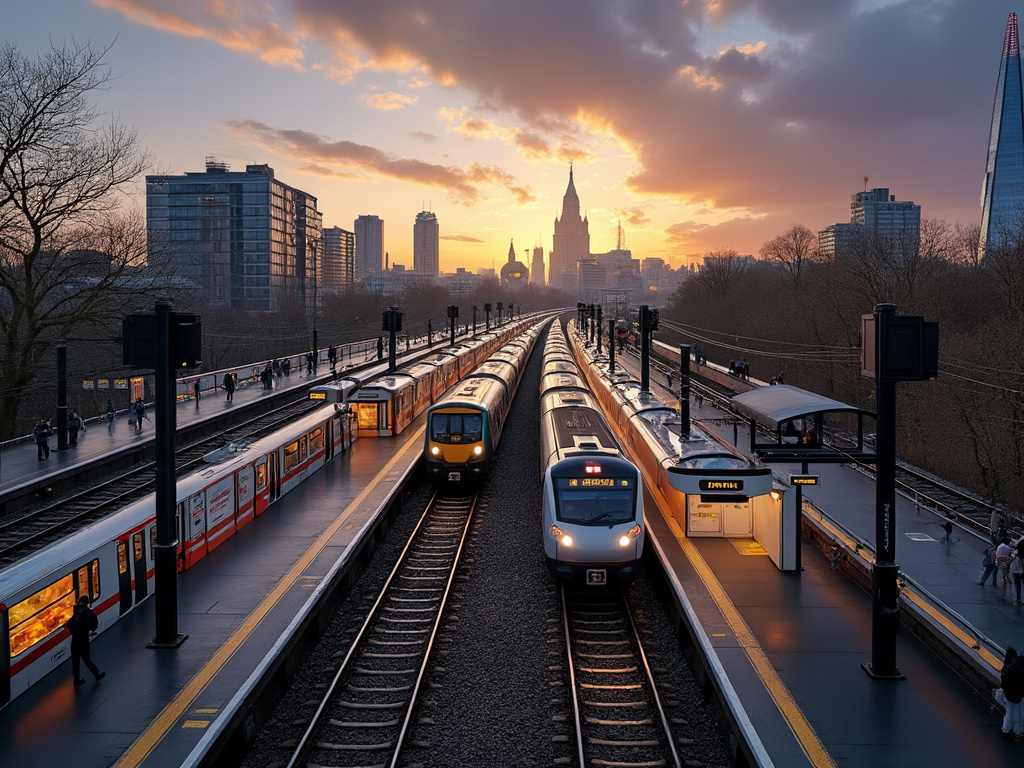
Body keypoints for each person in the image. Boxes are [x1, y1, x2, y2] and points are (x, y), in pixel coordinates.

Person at [66, 595, 104, 687]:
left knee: (75, 659)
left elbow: (68, 624)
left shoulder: (75, 612)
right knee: (86, 657)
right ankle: (96, 674)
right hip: (83, 638)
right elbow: (94, 625)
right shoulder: (89, 613)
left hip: (75, 639)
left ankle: (76, 679)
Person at [1001, 646, 1024, 738]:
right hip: (1017, 695)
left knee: (1009, 713)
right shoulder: (1019, 669)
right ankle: (1017, 731)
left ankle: (1006, 729)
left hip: (1007, 694)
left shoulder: (1006, 668)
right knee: (1019, 714)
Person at [1012, 540, 1024, 605]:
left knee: (1016, 584)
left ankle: (1017, 599)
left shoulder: (1016, 553)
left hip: (1016, 570)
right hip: (1021, 570)